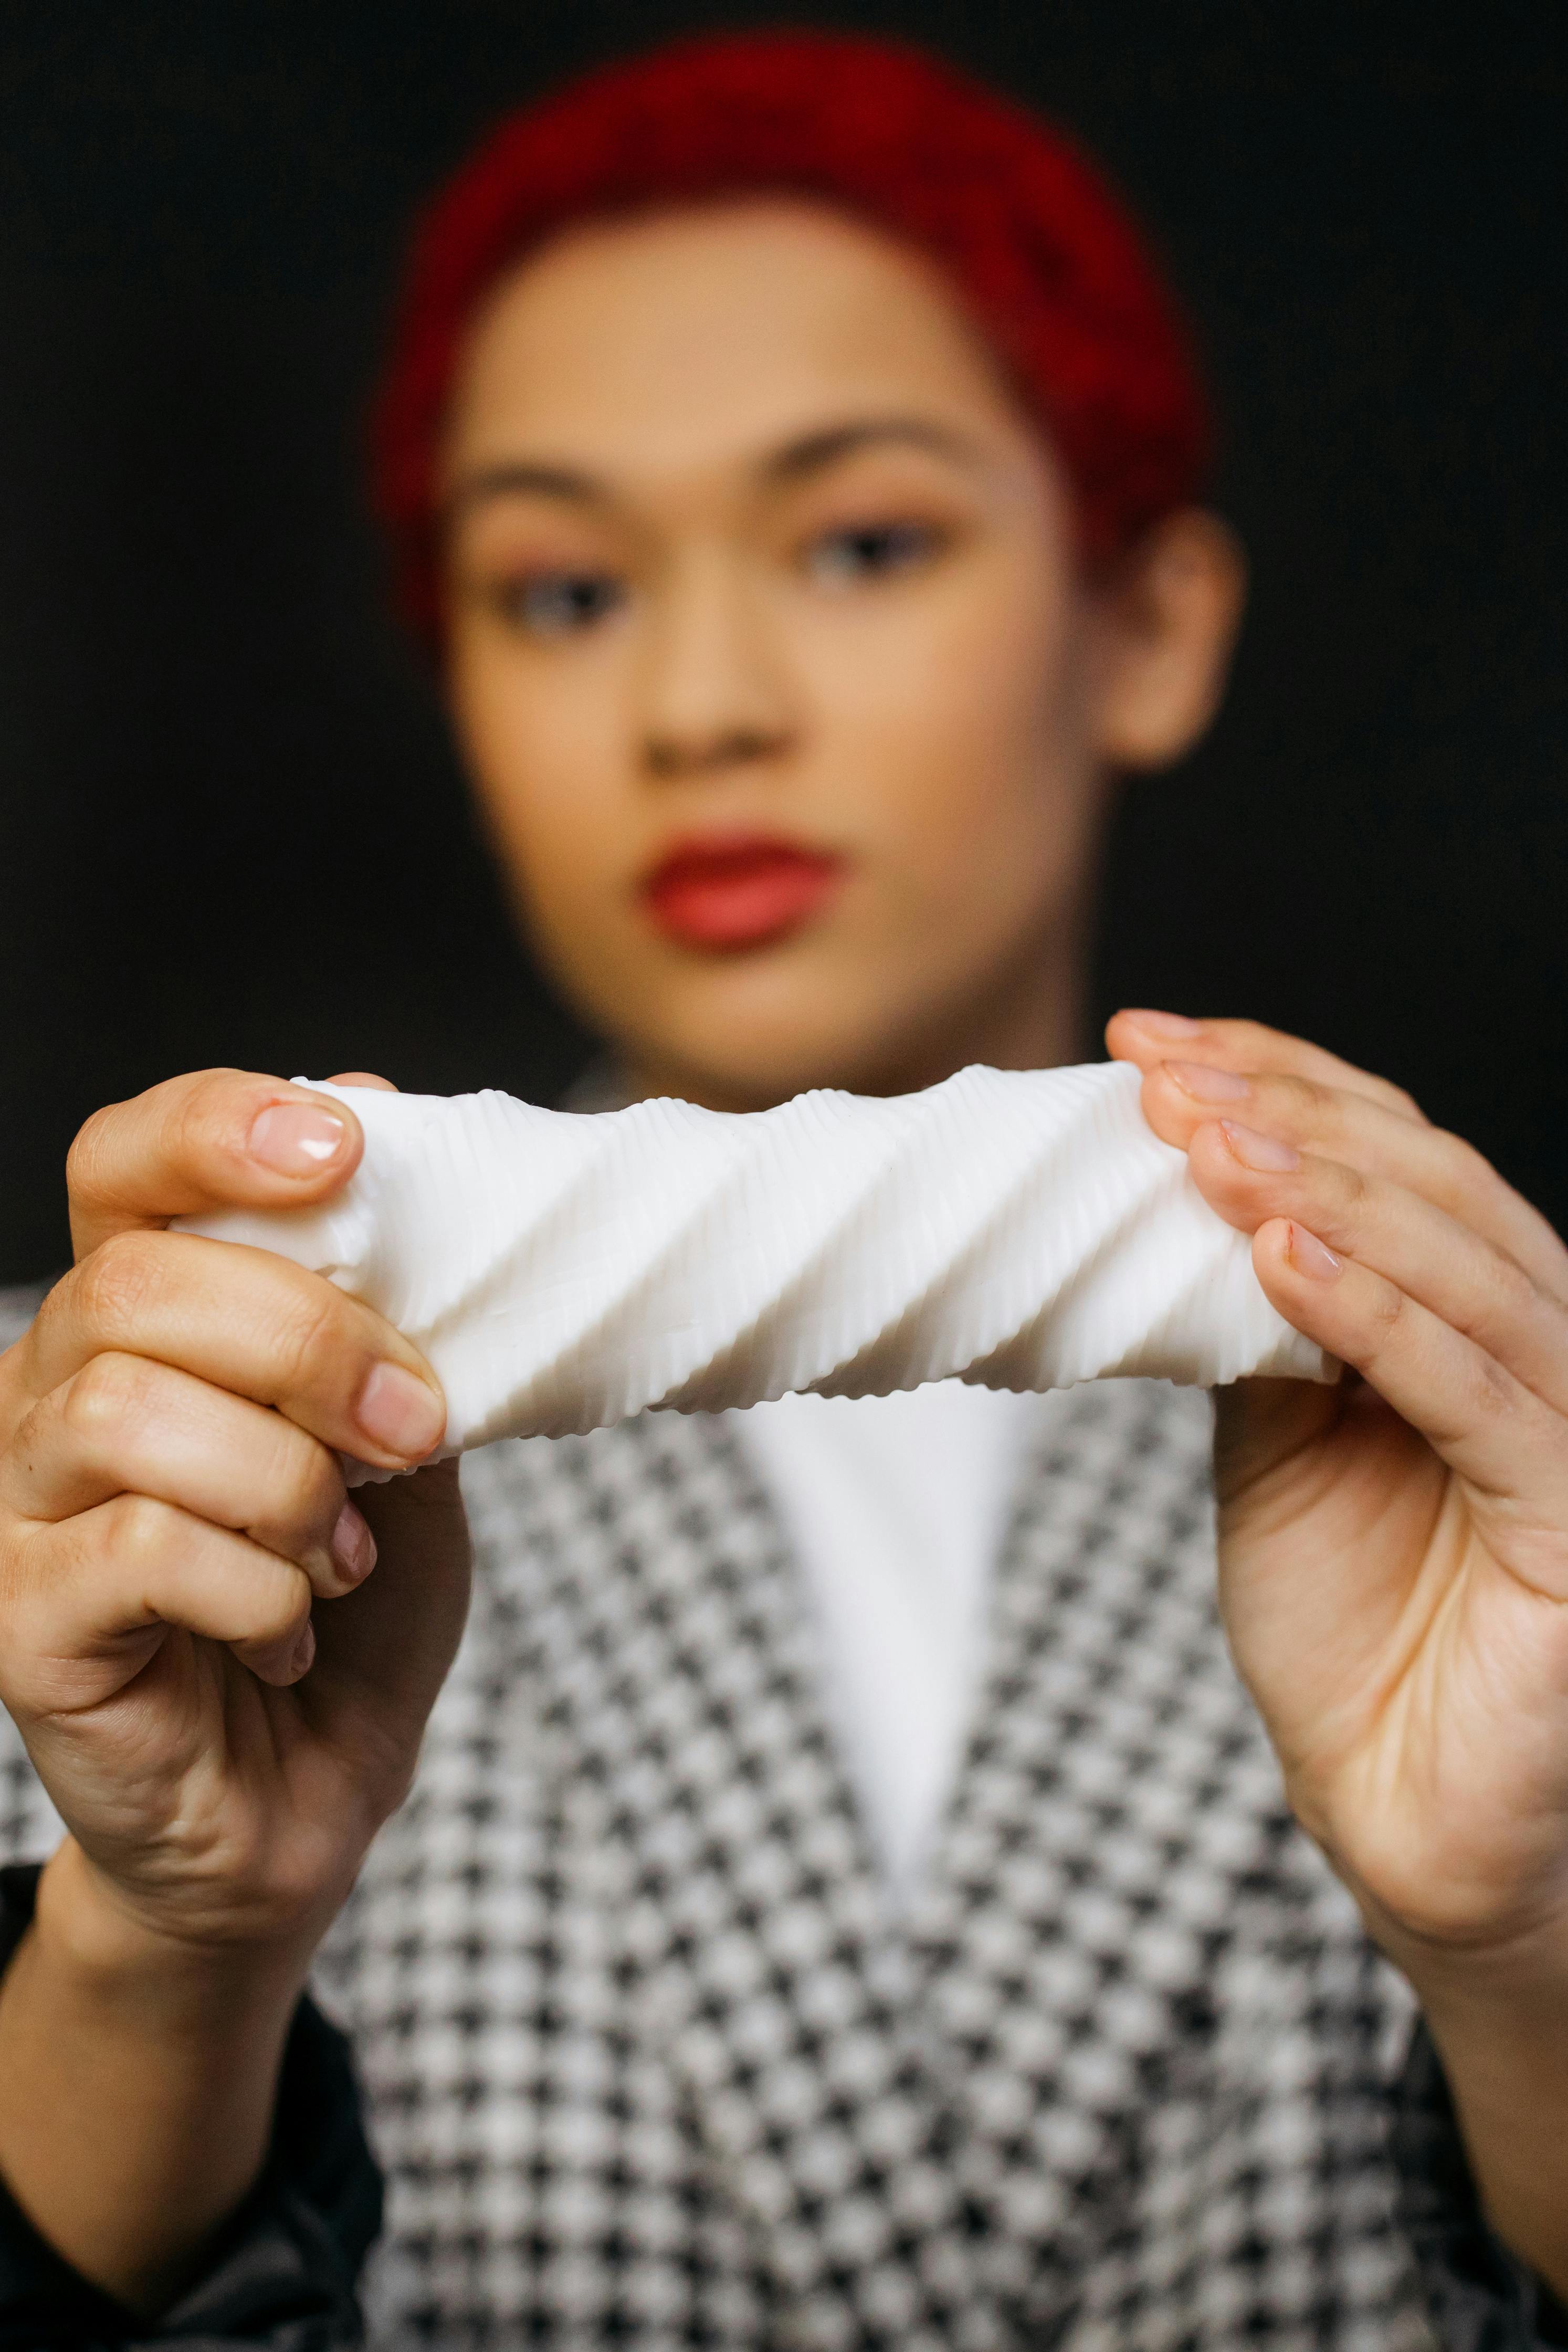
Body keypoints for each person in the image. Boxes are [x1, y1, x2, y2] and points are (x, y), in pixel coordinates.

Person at [1, 29, 1565, 2348]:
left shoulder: (1504, 1449)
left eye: (860, 542)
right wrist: (162, 1947)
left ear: (1147, 623)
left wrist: (1524, 1945)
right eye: (562, 592)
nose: (702, 705)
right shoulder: (121, 1476)